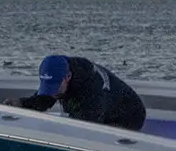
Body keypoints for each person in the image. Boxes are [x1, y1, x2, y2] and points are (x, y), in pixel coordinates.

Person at [8, 53, 148, 131]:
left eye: (55, 87)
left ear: (68, 77)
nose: (52, 92)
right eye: (47, 86)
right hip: (99, 108)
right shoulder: (59, 69)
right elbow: (45, 100)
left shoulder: (91, 92)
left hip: (128, 116)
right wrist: (21, 103)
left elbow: (89, 128)